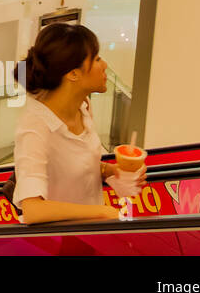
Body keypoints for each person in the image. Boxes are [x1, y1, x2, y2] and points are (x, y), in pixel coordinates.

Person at [12, 22, 143, 224]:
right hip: (59, 243)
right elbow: (33, 209)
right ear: (73, 73)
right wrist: (102, 213)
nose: (105, 65)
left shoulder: (83, 107)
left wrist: (111, 172)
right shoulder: (35, 128)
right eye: (97, 58)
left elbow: (71, 164)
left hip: (90, 237)